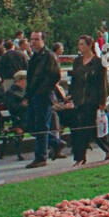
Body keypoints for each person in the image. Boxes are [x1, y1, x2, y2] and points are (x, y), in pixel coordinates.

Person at [24, 30, 65, 167]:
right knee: (30, 126)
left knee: (42, 126)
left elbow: (55, 76)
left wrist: (42, 91)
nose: (33, 42)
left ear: (43, 41)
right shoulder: (34, 57)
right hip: (34, 95)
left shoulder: (49, 56)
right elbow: (30, 78)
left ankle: (41, 157)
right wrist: (28, 95)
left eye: (36, 39)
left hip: (44, 95)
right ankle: (56, 143)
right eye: (32, 39)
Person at [69, 34, 109, 165]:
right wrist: (70, 95)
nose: (79, 47)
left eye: (82, 44)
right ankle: (108, 147)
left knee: (84, 128)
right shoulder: (77, 62)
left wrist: (102, 102)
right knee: (87, 128)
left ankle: (80, 158)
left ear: (89, 46)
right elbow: (74, 80)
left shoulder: (98, 63)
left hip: (92, 100)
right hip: (78, 99)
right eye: (79, 44)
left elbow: (103, 83)